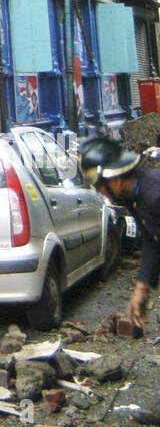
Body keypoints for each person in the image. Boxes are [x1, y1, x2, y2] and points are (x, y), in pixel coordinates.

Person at [80, 134, 160, 331]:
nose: (100, 191)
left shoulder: (154, 195)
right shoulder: (134, 196)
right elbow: (152, 241)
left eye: (99, 185)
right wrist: (142, 287)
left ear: (114, 179)